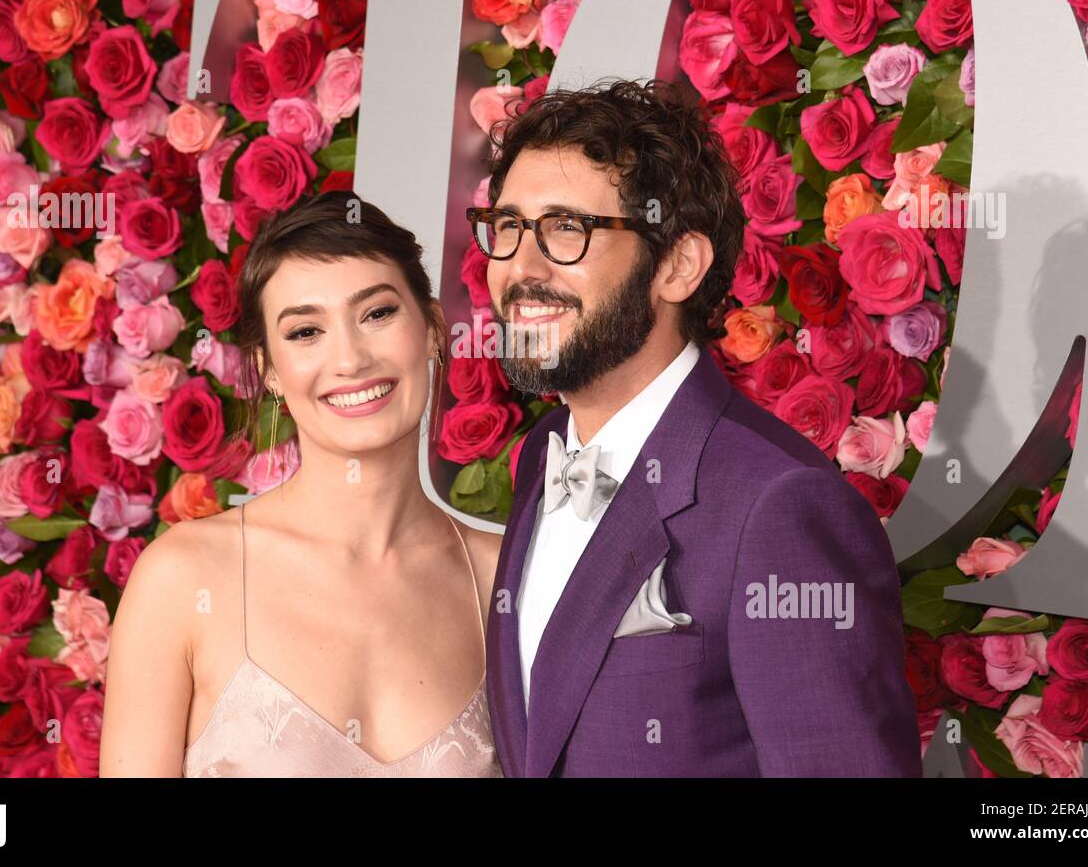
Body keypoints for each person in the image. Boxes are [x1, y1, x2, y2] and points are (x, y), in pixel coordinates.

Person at [475, 78, 922, 777]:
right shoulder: (542, 458)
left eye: (565, 229)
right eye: (507, 228)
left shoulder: (779, 506)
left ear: (678, 265)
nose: (519, 268)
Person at [100, 192, 503, 777]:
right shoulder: (182, 578)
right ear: (269, 371)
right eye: (307, 331)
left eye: (378, 314)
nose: (350, 359)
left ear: (434, 329)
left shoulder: (502, 579)